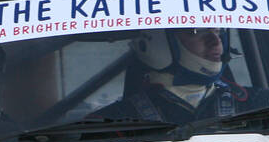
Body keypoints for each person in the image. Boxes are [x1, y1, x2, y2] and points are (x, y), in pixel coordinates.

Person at [96, 27, 256, 124]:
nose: (216, 42)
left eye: (217, 31)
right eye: (196, 32)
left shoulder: (266, 107)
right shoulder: (109, 124)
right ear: (158, 43)